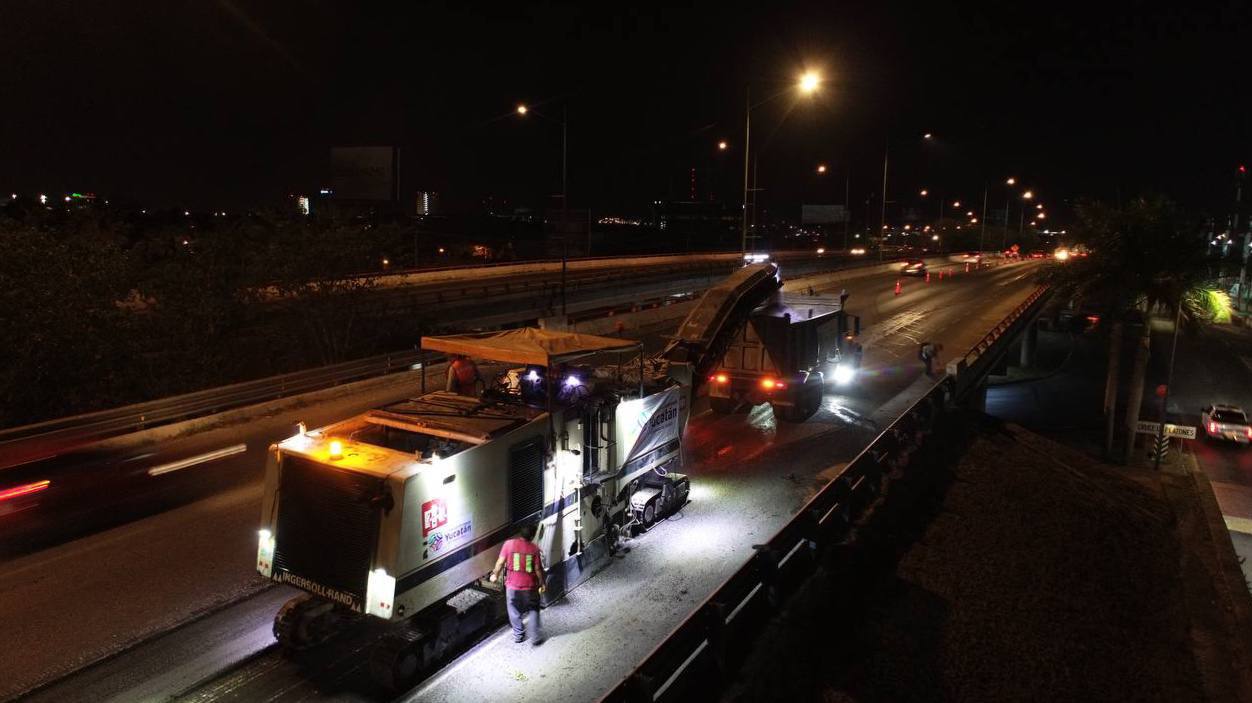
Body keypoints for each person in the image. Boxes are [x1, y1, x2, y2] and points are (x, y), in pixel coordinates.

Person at [489, 523, 546, 644]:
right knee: (534, 608)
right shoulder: (534, 549)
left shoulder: (508, 544)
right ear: (532, 535)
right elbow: (537, 569)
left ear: (520, 533)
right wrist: (542, 583)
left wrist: (495, 574)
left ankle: (519, 634)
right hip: (530, 587)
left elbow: (500, 562)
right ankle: (535, 636)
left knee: (513, 608)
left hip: (512, 586)